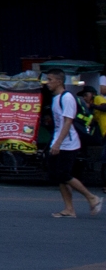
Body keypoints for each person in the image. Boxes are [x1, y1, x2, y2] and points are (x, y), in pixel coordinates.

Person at [44, 70, 101, 218]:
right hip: (58, 141)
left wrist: (58, 143)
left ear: (59, 81)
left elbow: (68, 122)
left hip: (68, 143)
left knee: (64, 174)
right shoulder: (56, 98)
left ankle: (91, 197)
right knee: (58, 176)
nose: (47, 82)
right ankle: (69, 209)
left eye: (50, 79)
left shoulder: (67, 97)